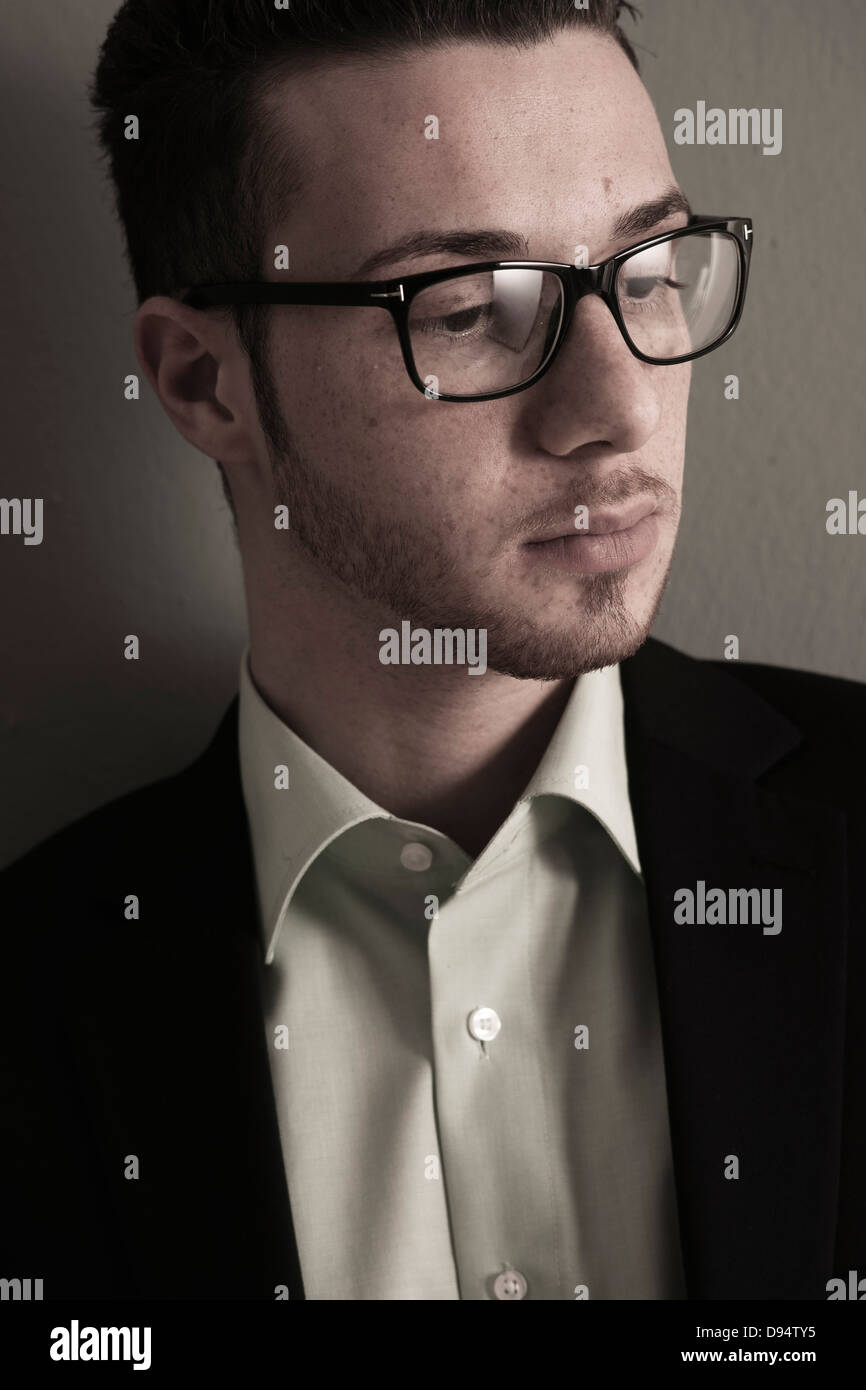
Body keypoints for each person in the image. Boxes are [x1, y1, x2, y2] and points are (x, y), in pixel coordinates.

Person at [1, 0, 863, 1302]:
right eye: (466, 308)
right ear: (201, 382)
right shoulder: (33, 1001)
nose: (619, 408)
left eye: (643, 273)